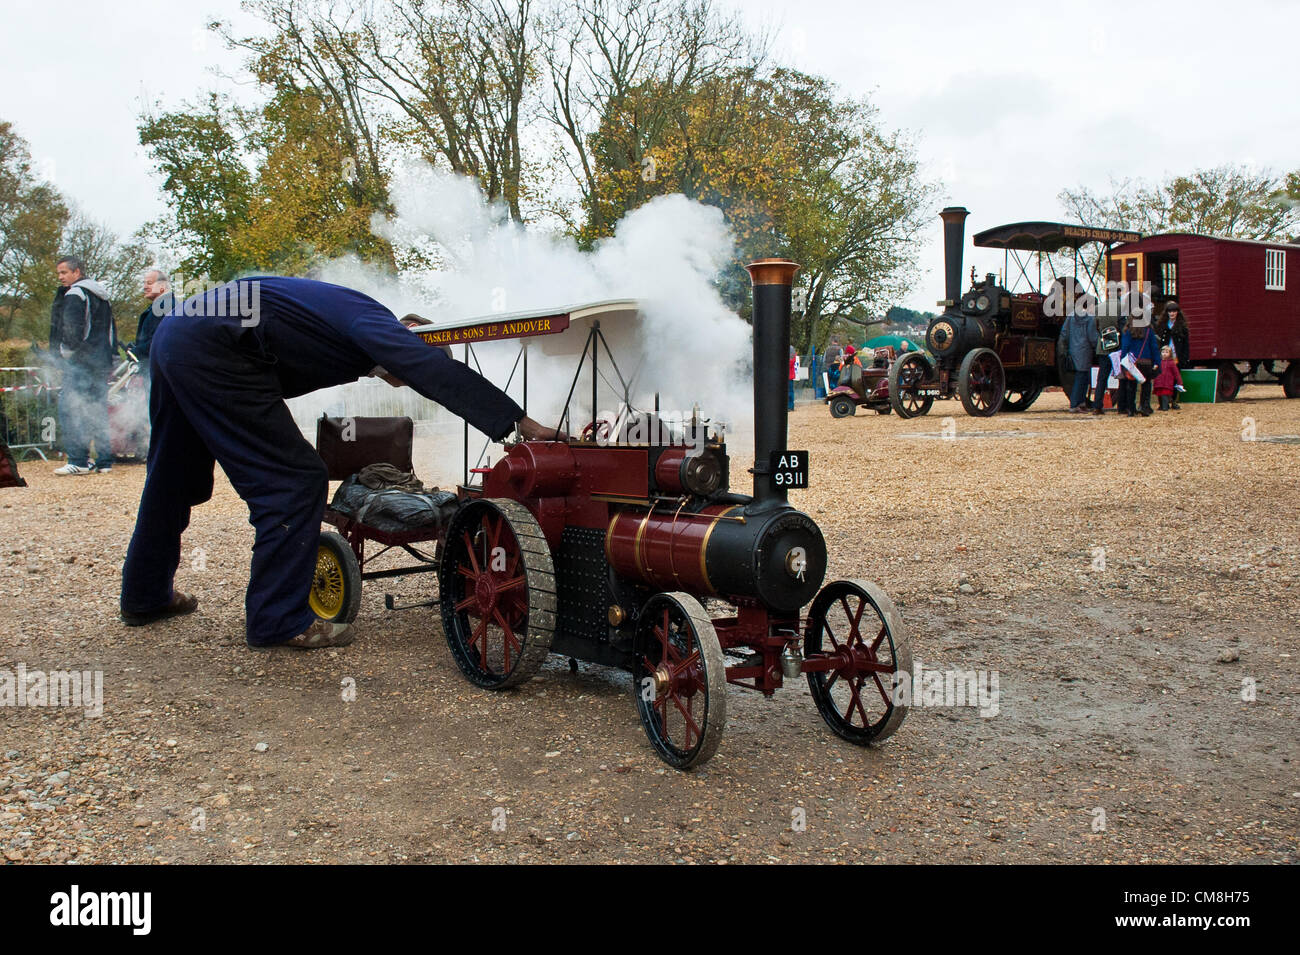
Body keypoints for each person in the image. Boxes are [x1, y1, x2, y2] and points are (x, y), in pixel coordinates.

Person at [119, 276, 561, 651]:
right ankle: (278, 620)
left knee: (171, 478)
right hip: (215, 347)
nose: (402, 380)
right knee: (294, 481)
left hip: (176, 336)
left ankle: (145, 594)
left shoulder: (353, 318)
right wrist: (518, 421)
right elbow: (432, 371)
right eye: (410, 365)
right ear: (407, 334)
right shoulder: (377, 323)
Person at [49, 255, 118, 475]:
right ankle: (104, 460)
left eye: (64, 272)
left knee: (72, 408)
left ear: (77, 272)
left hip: (81, 363)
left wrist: (65, 355)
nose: (60, 277)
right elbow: (110, 332)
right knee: (98, 410)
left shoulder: (75, 294)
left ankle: (79, 460)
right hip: (101, 362)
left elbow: (71, 331)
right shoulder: (102, 296)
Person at [1057, 279, 1098, 412]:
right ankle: (1075, 404)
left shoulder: (1071, 316)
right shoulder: (1090, 319)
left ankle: (1080, 403)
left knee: (1078, 377)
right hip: (1085, 350)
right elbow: (1092, 337)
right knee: (1082, 378)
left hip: (1073, 349)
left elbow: (1064, 333)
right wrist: (1097, 345)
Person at [1118, 310, 1161, 417]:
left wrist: (1123, 361)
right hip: (1147, 362)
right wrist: (1157, 361)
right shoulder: (1148, 331)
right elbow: (1154, 348)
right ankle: (1144, 406)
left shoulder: (1128, 331)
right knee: (1146, 385)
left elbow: (1125, 347)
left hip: (1133, 363)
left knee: (1131, 386)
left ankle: (1131, 409)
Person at [132, 269, 173, 366]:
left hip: (158, 368)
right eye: (144, 283)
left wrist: (138, 351)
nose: (145, 287)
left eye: (149, 283)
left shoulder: (166, 306)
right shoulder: (159, 306)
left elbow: (163, 339)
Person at [1156, 301, 1190, 408]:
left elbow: (1186, 344)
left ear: (1177, 313)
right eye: (1170, 311)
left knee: (1175, 378)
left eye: (1174, 311)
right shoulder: (1162, 325)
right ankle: (1164, 401)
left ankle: (1173, 400)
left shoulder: (1182, 326)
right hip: (1164, 355)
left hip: (1176, 356)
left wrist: (1185, 358)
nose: (1172, 314)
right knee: (1162, 378)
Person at [1151, 345, 1184, 411]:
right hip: (1159, 381)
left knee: (1164, 394)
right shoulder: (1158, 362)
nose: (1164, 354)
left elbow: (1176, 373)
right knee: (1159, 394)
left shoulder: (1171, 363)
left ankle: (1165, 406)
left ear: (1170, 354)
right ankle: (1161, 405)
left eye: (1166, 352)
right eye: (1163, 352)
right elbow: (1154, 370)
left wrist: (1179, 382)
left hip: (1167, 382)